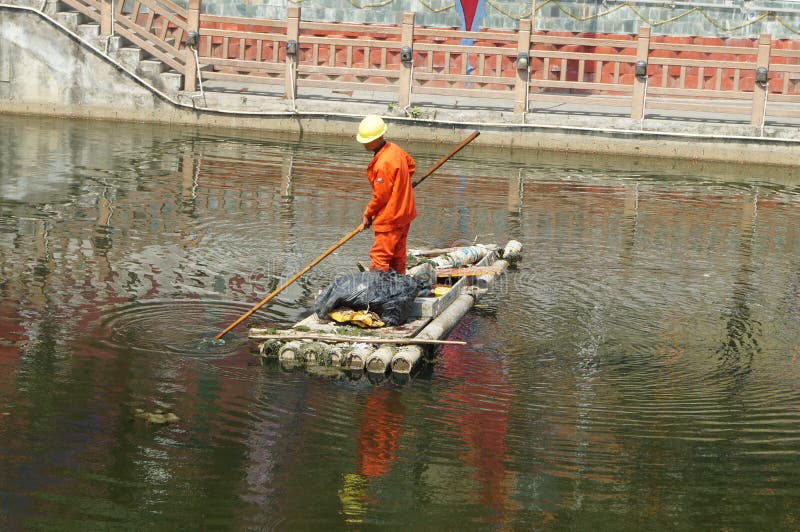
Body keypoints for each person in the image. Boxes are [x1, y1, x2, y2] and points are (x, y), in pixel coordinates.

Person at [356, 115, 416, 275]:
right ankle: (399, 287)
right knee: (398, 256)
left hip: (391, 218)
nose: (363, 144)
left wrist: (367, 214)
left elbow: (380, 196)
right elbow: (411, 166)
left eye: (365, 141)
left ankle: (378, 292)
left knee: (380, 258)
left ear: (374, 139)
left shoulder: (383, 163)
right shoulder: (395, 149)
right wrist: (400, 186)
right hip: (404, 215)